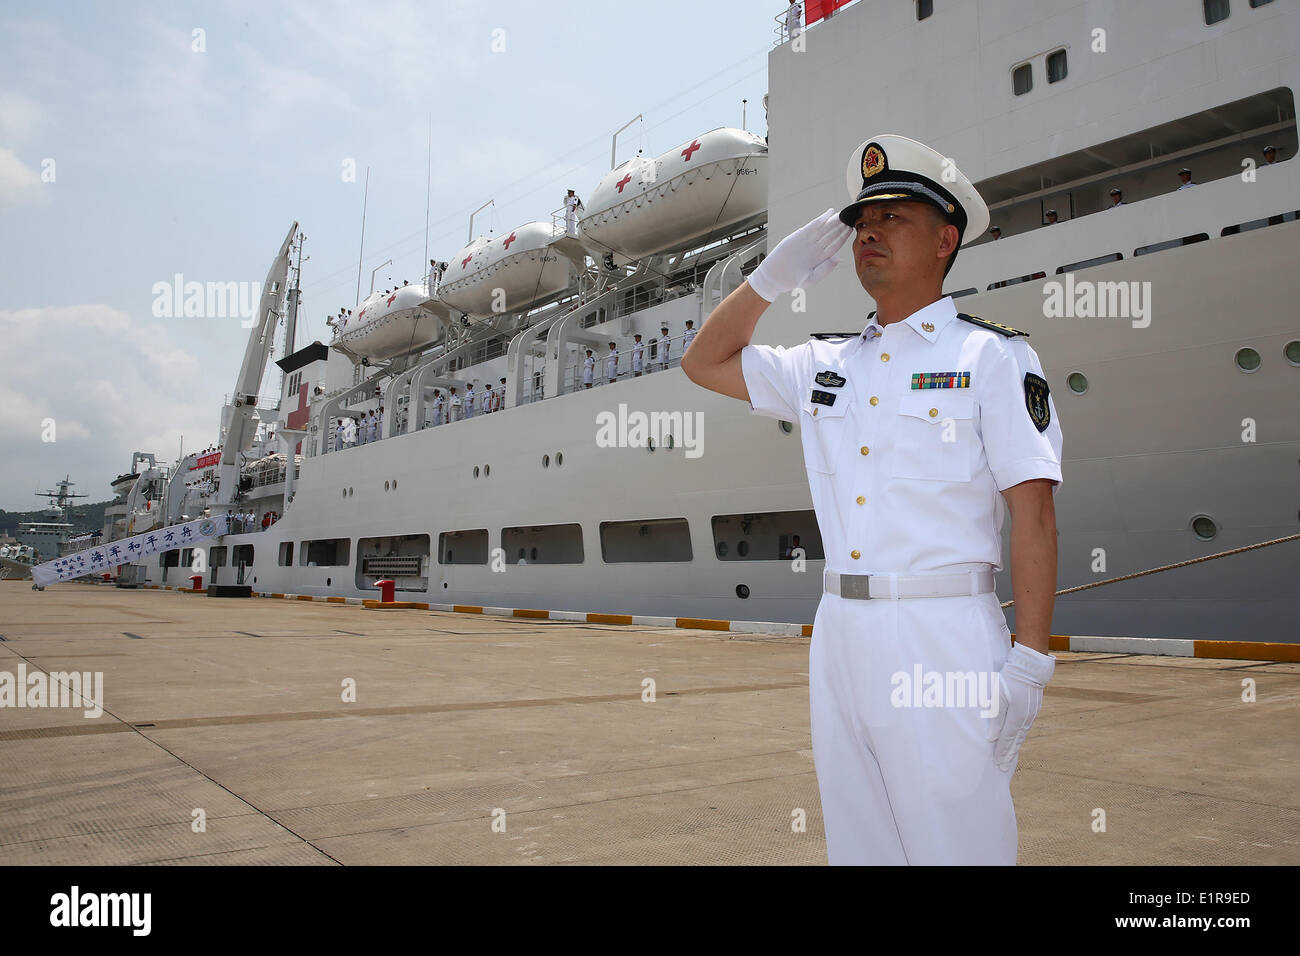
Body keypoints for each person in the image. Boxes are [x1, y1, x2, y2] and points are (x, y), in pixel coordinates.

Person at [680, 132, 1063, 866]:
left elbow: (1034, 513)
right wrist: (770, 278)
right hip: (841, 633)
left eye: (894, 218)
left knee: (957, 843)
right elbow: (704, 361)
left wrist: (1031, 660)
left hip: (942, 631)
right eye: (862, 222)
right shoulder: (825, 364)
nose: (870, 233)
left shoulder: (990, 357)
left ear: (946, 238)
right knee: (862, 849)